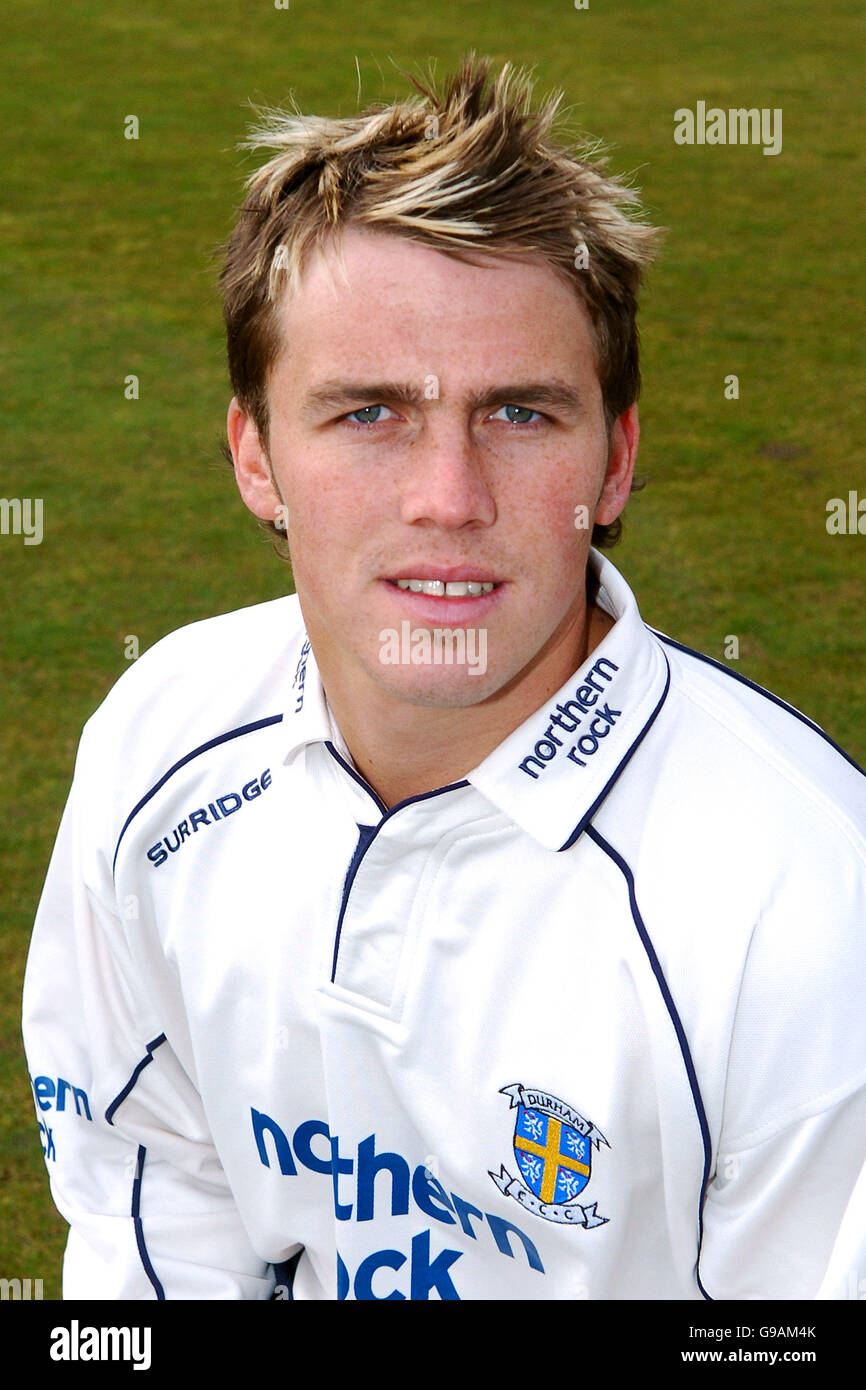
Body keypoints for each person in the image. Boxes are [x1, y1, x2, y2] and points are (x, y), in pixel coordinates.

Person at [22, 56, 866, 1301]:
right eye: (366, 413)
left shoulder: (808, 907)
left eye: (519, 415)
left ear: (616, 460)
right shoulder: (161, 736)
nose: (447, 501)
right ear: (255, 456)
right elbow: (153, 1195)